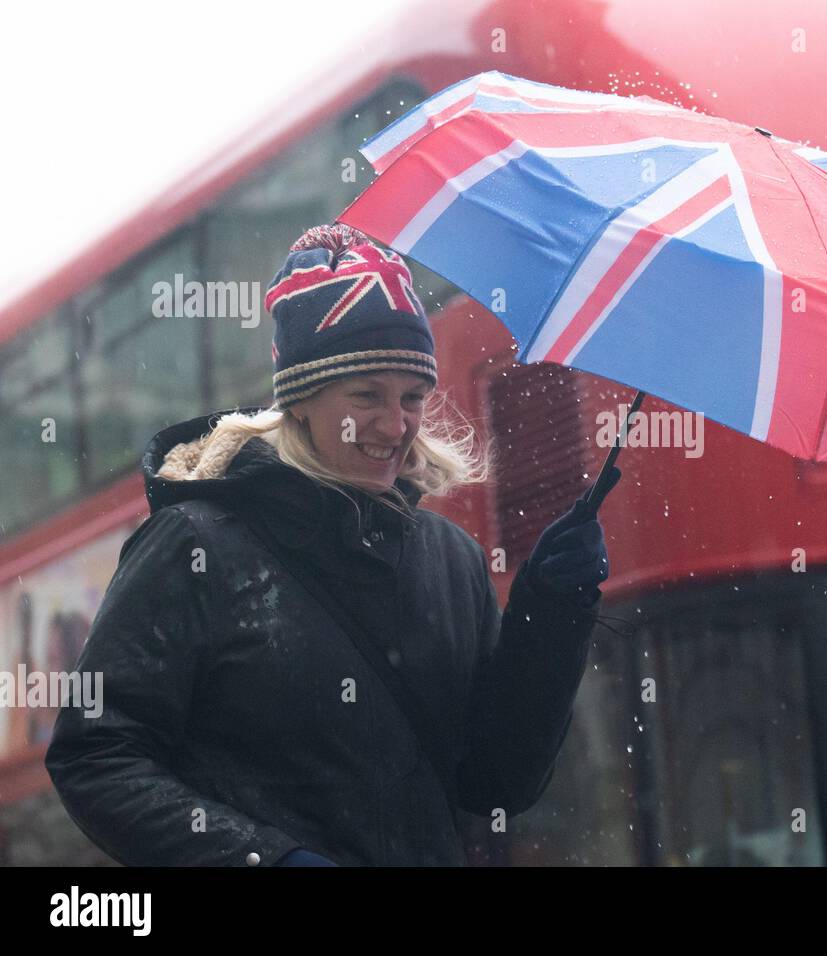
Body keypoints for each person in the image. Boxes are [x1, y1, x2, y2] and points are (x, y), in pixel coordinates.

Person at [44, 224, 619, 866]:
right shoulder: (194, 545)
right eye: (366, 395)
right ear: (302, 401)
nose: (394, 425)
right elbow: (94, 754)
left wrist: (551, 615)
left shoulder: (451, 559)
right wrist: (267, 860)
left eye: (411, 398)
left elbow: (496, 783)